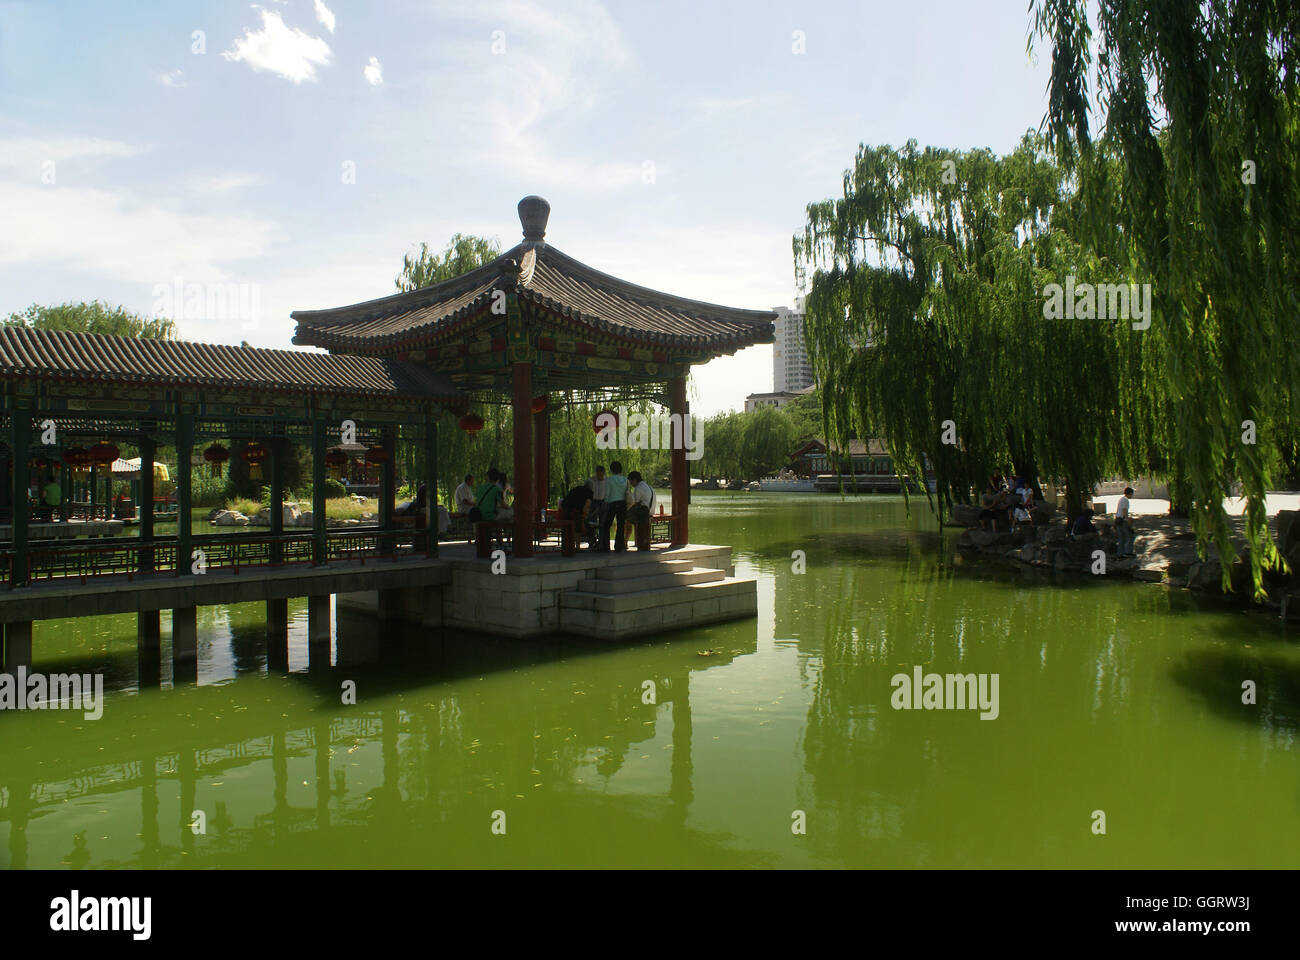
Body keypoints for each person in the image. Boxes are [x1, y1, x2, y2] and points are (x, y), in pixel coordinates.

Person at [600, 461, 629, 552]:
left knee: (606, 525)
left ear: (611, 469)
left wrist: (605, 502)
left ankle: (606, 546)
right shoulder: (626, 480)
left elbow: (607, 493)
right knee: (621, 525)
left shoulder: (609, 479)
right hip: (622, 503)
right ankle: (618, 547)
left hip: (612, 504)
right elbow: (627, 493)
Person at [557, 483, 594, 548]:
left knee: (567, 528)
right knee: (577, 529)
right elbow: (587, 505)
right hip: (575, 510)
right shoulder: (589, 492)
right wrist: (585, 515)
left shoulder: (577, 488)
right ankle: (577, 547)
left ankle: (566, 546)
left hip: (565, 507)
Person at [1114, 486, 1136, 558]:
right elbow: (1124, 511)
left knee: (1122, 537)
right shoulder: (1125, 500)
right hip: (1122, 520)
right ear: (1129, 493)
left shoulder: (1122, 499)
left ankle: (1120, 554)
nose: (1132, 495)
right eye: (1132, 494)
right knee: (1131, 535)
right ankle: (1128, 552)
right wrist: (1128, 521)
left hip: (1118, 519)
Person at [585, 466, 607, 535]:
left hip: (603, 502)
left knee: (603, 522)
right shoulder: (590, 480)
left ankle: (602, 542)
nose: (600, 476)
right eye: (598, 474)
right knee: (592, 522)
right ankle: (592, 541)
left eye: (602, 474)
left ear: (604, 473)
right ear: (596, 473)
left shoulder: (607, 481)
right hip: (593, 502)